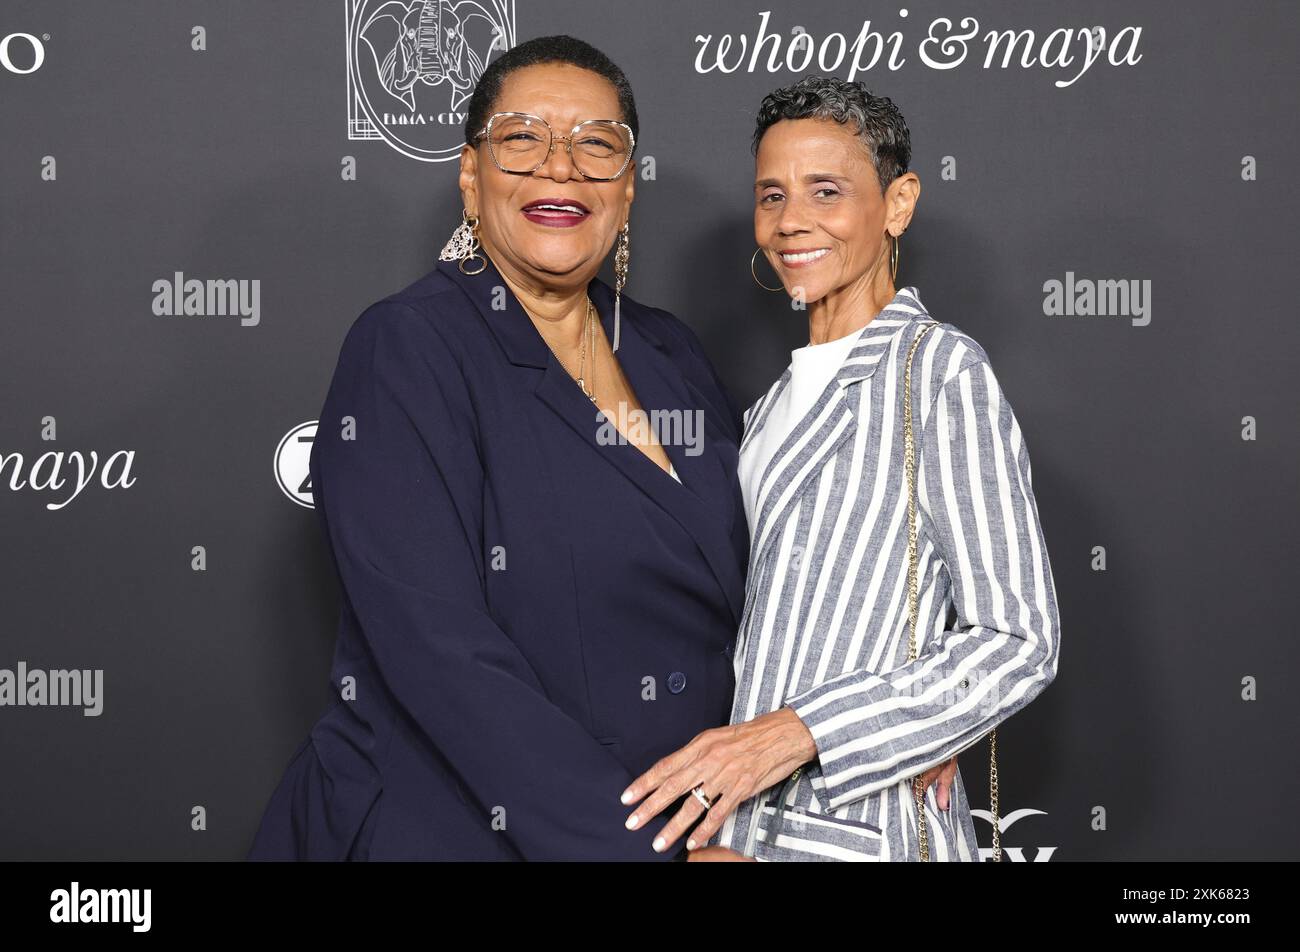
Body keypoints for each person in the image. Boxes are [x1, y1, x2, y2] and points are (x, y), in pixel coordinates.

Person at [246, 35, 749, 861]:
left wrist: (863, 738)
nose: (562, 168)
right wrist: (640, 852)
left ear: (627, 186)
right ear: (471, 177)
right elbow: (440, 652)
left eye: (598, 144)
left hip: (686, 825)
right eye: (523, 139)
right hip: (457, 831)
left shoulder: (671, 354)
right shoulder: (408, 347)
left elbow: (760, 597)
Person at [619, 76, 1062, 862]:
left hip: (871, 833)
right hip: (741, 831)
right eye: (771, 195)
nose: (792, 221)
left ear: (897, 203)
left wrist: (801, 733)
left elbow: (1018, 639)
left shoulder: (937, 370)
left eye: (827, 191)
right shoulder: (766, 409)